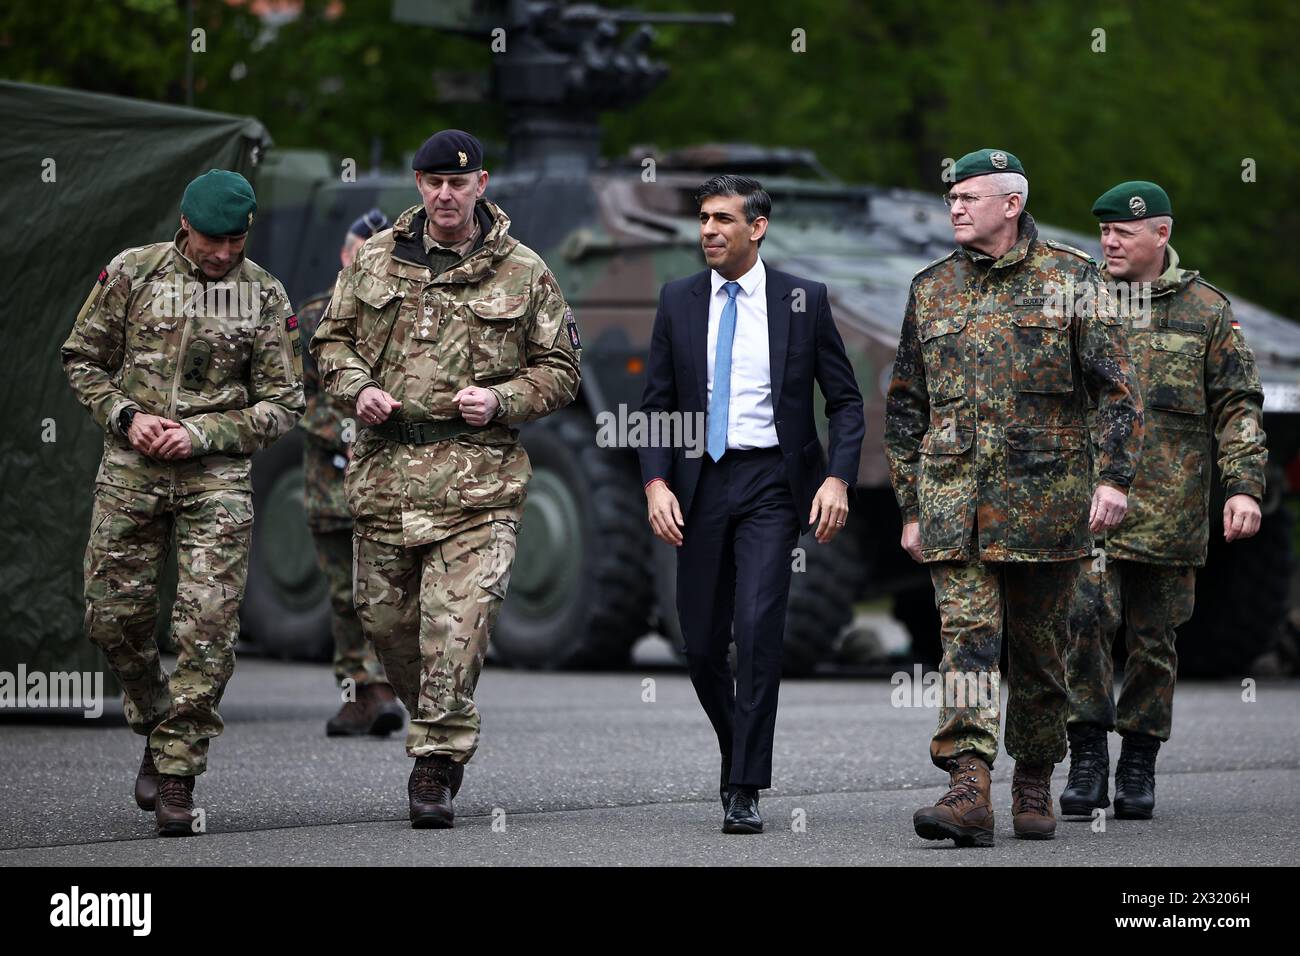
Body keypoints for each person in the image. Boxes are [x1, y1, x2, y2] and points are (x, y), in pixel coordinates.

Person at [311, 130, 581, 828]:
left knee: (457, 630)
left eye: (458, 183)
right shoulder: (373, 260)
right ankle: (442, 709)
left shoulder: (524, 271)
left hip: (478, 486)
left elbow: (561, 370)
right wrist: (355, 387)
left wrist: (503, 400)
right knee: (388, 626)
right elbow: (329, 342)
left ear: (481, 184)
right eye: (433, 181)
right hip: (387, 481)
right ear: (417, 183)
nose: (445, 194)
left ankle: (434, 761)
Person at [884, 149, 1143, 845]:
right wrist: (911, 504)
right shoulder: (930, 288)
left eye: (969, 197)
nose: (956, 208)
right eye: (951, 199)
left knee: (1040, 652)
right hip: (954, 507)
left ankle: (1034, 779)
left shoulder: (1072, 280)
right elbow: (906, 406)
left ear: (1011, 204)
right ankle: (968, 783)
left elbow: (1116, 390)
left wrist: (1114, 479)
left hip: (1046, 505)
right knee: (967, 641)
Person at [62, 169, 304, 836]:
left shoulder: (262, 295)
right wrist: (124, 416)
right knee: (113, 619)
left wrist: (203, 432)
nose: (224, 253)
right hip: (132, 469)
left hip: (214, 477)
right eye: (210, 241)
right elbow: (82, 358)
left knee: (207, 627)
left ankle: (177, 769)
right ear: (183, 226)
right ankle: (152, 715)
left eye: (236, 240)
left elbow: (285, 404)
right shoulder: (133, 274)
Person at [638, 174, 865, 834]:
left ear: (756, 228)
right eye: (703, 219)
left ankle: (745, 785)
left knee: (759, 628)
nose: (708, 230)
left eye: (722, 220)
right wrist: (656, 484)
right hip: (699, 486)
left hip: (772, 484)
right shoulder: (677, 299)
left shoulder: (803, 300)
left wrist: (838, 479)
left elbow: (846, 402)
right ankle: (737, 742)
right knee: (702, 646)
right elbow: (655, 407)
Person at [1061, 181, 1266, 820]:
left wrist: (1243, 487)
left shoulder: (1206, 311)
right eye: (1104, 231)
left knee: (1155, 640)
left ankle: (1140, 759)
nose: (1110, 241)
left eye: (1123, 231)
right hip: (1089, 505)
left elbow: (1237, 406)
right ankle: (1087, 751)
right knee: (1085, 622)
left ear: (1162, 235)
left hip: (1170, 511)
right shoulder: (1080, 299)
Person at [297, 209, 406, 737]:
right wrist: (345, 432)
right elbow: (293, 395)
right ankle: (358, 689)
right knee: (344, 594)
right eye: (360, 250)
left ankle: (383, 685)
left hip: (391, 481)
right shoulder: (314, 316)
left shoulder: (404, 311)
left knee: (387, 590)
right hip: (332, 485)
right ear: (345, 256)